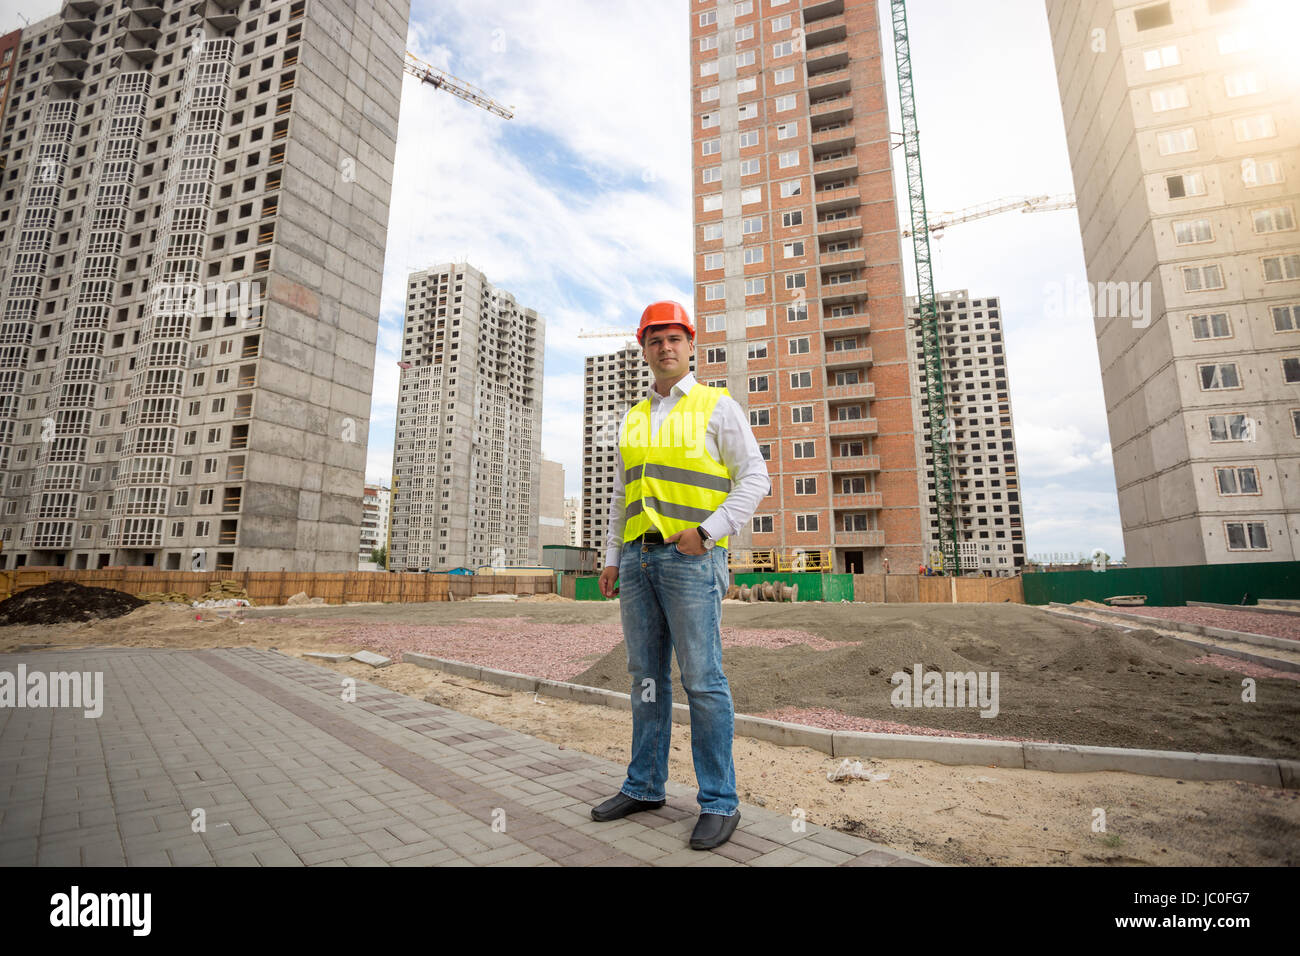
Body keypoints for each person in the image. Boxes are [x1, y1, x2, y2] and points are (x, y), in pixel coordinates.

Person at [591, 301, 770, 851]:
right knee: (646, 677)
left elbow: (755, 477)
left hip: (692, 559)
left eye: (674, 338)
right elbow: (625, 494)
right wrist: (612, 555)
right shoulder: (635, 416)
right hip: (639, 562)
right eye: (654, 340)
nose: (664, 348)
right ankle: (644, 786)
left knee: (703, 680)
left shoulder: (718, 407)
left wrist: (708, 532)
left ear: (690, 345)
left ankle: (719, 802)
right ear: (643, 350)